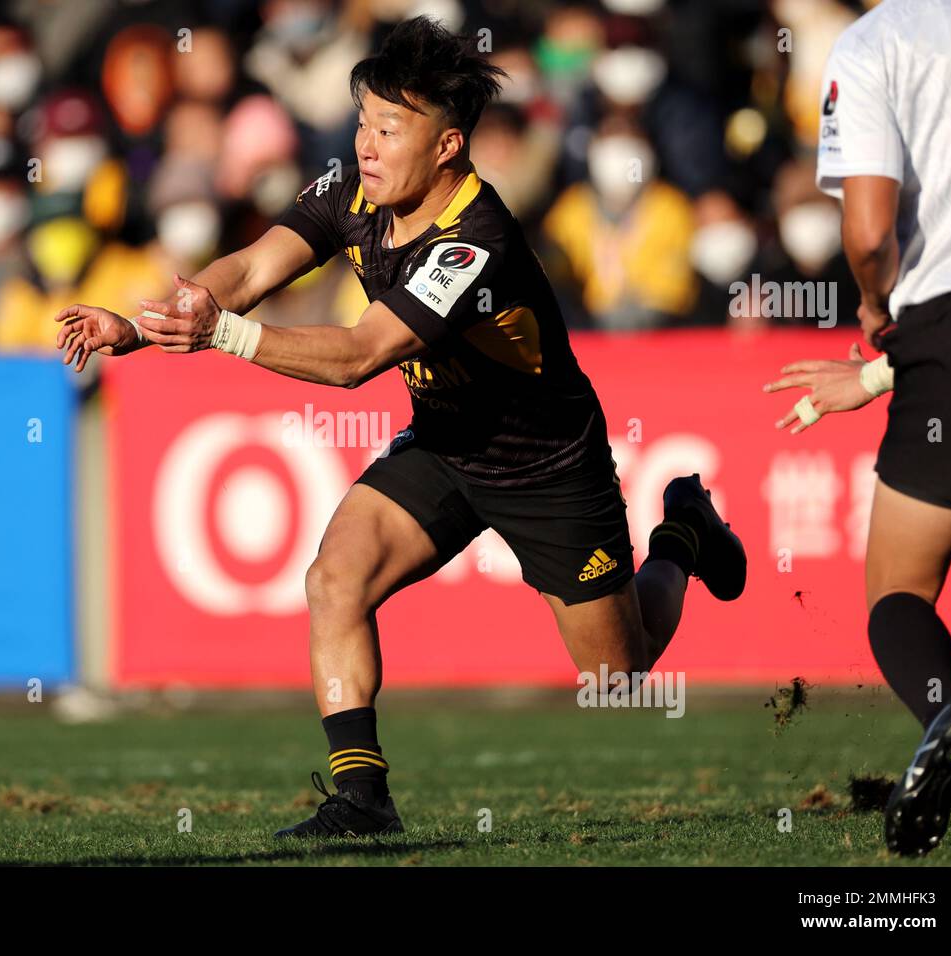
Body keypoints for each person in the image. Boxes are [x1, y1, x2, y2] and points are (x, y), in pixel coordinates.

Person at [55, 17, 745, 838]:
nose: (367, 144)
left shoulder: (474, 244)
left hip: (545, 466)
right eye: (362, 121)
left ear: (448, 145)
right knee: (333, 582)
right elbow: (246, 270)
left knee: (619, 676)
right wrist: (142, 327)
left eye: (389, 127)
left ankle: (683, 538)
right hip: (448, 445)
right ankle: (361, 797)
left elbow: (356, 357)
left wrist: (222, 337)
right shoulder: (352, 190)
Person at [763, 0, 951, 856]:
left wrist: (872, 308)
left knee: (899, 590)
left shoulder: (876, 44)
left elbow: (867, 229)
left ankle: (944, 714)